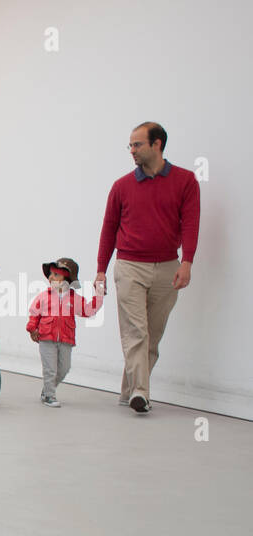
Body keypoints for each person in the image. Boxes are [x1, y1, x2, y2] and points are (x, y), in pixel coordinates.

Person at [94, 121, 200, 415]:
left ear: (157, 144)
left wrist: (187, 262)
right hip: (129, 266)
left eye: (137, 144)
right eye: (130, 145)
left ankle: (128, 391)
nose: (132, 150)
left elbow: (191, 223)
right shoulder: (121, 186)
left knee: (152, 336)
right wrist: (101, 269)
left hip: (167, 267)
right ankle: (141, 392)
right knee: (136, 333)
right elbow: (109, 228)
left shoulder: (186, 181)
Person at [26, 257, 103, 407]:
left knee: (64, 368)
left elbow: (89, 310)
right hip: (46, 337)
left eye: (56, 275)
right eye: (50, 274)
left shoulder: (75, 299)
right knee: (50, 369)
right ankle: (49, 396)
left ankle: (47, 389)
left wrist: (99, 292)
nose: (50, 278)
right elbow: (34, 313)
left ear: (66, 278)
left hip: (66, 338)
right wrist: (32, 329)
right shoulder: (44, 296)